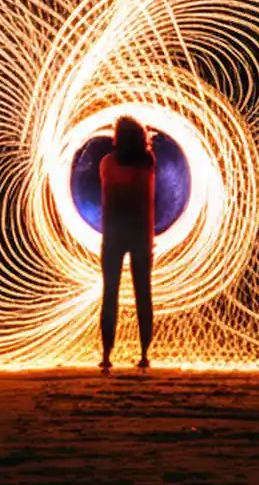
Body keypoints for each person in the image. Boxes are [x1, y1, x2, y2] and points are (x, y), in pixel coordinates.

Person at [98, 115, 156, 373]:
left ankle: (107, 355)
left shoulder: (107, 163)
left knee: (110, 294)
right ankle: (144, 354)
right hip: (141, 235)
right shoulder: (148, 164)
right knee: (143, 294)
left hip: (112, 236)